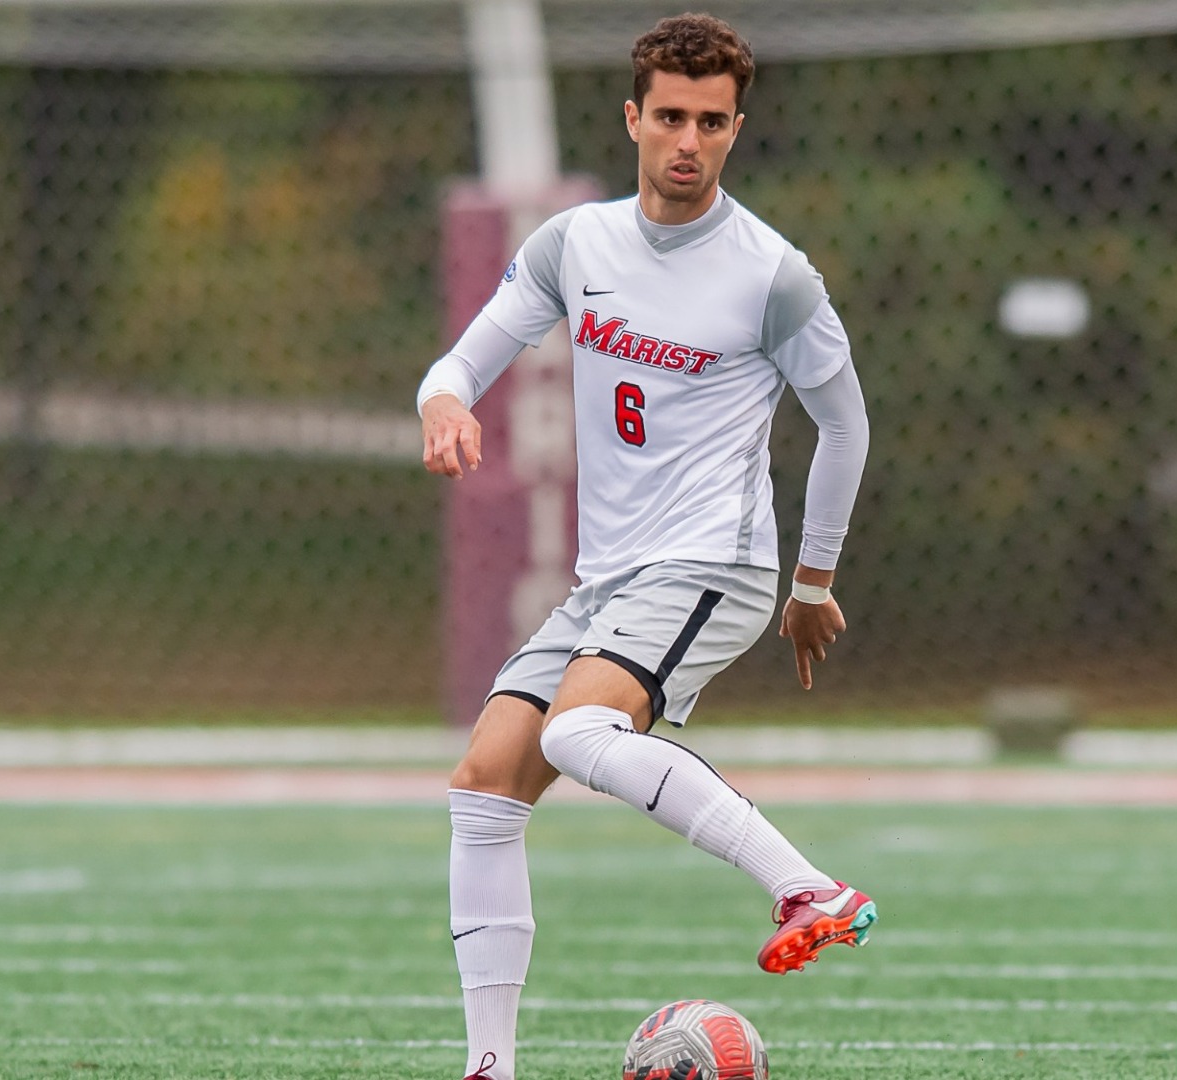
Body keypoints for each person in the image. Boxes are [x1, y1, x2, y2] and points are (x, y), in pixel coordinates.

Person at [416, 13, 875, 1080]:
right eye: (669, 116)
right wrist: (446, 408)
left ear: (735, 130)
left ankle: (807, 887)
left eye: (711, 122)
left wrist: (814, 578)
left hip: (718, 562)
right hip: (610, 577)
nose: (688, 140)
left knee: (578, 734)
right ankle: (490, 1068)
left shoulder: (773, 274)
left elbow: (845, 422)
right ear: (633, 117)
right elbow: (458, 362)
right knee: (485, 785)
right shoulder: (577, 245)